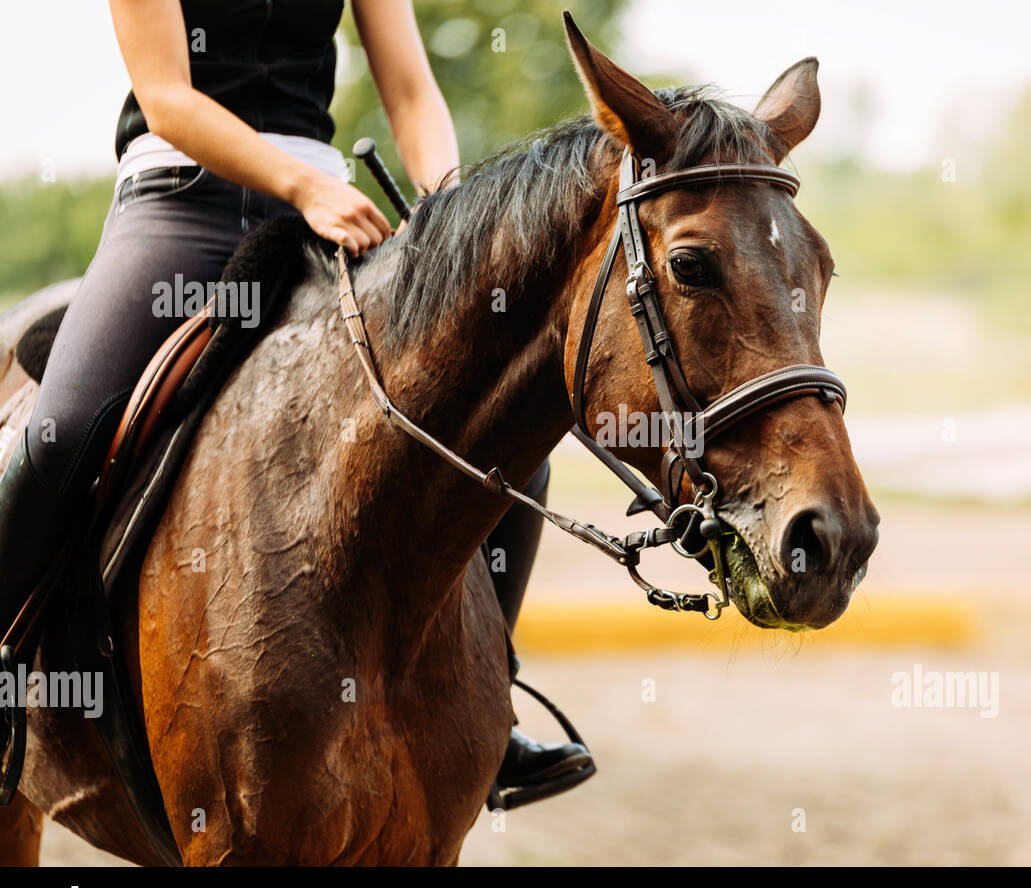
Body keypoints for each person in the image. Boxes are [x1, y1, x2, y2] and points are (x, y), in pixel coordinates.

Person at [0, 0, 591, 807]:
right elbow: (167, 96)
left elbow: (412, 93)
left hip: (331, 214)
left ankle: (498, 700)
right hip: (181, 202)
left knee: (502, 428)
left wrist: (452, 217)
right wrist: (301, 183)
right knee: (62, 431)